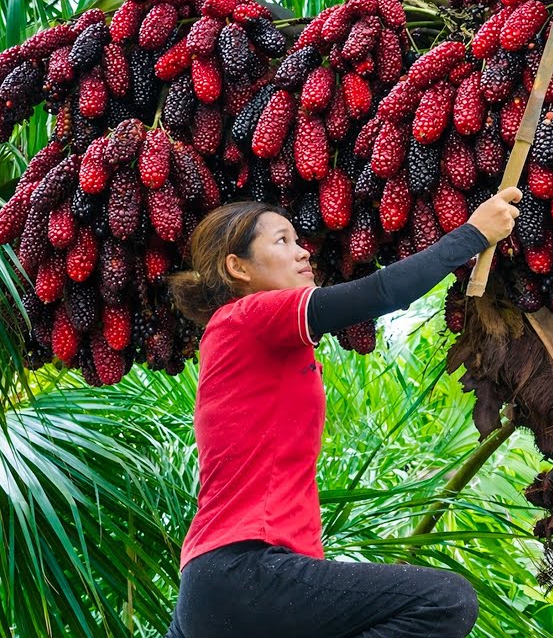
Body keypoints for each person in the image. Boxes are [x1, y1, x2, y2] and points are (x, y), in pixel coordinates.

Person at [163, 187, 522, 638]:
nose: (302, 252)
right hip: (246, 568)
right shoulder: (248, 316)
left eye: (298, 240)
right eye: (282, 241)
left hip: (218, 587)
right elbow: (381, 291)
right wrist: (473, 234)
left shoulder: (246, 340)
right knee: (443, 600)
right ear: (238, 268)